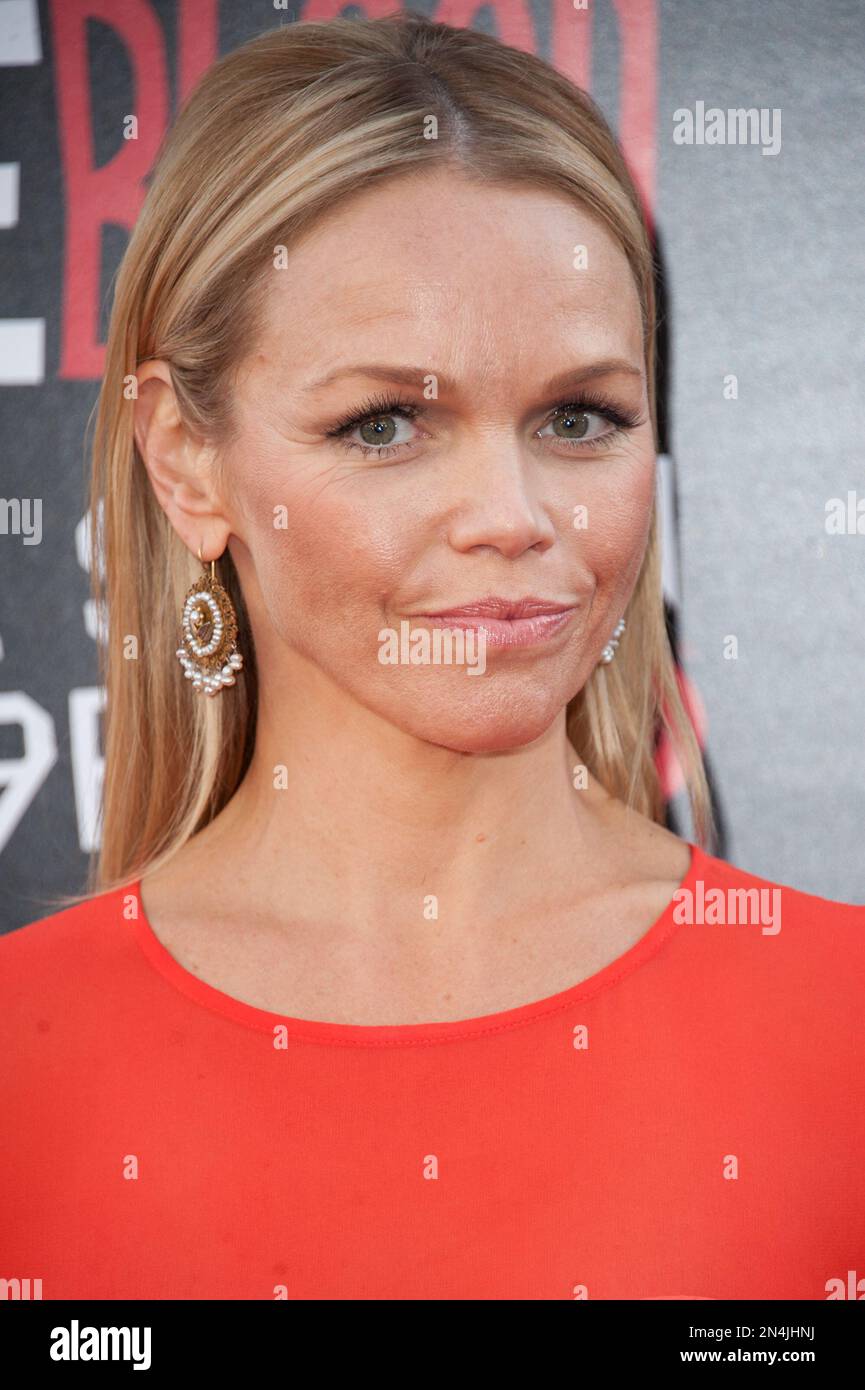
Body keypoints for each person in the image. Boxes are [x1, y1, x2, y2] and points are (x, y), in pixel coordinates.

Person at [2, 13, 863, 1302]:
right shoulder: (26, 1067)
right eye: (386, 423)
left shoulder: (839, 1028)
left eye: (581, 416)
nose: (514, 514)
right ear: (186, 459)